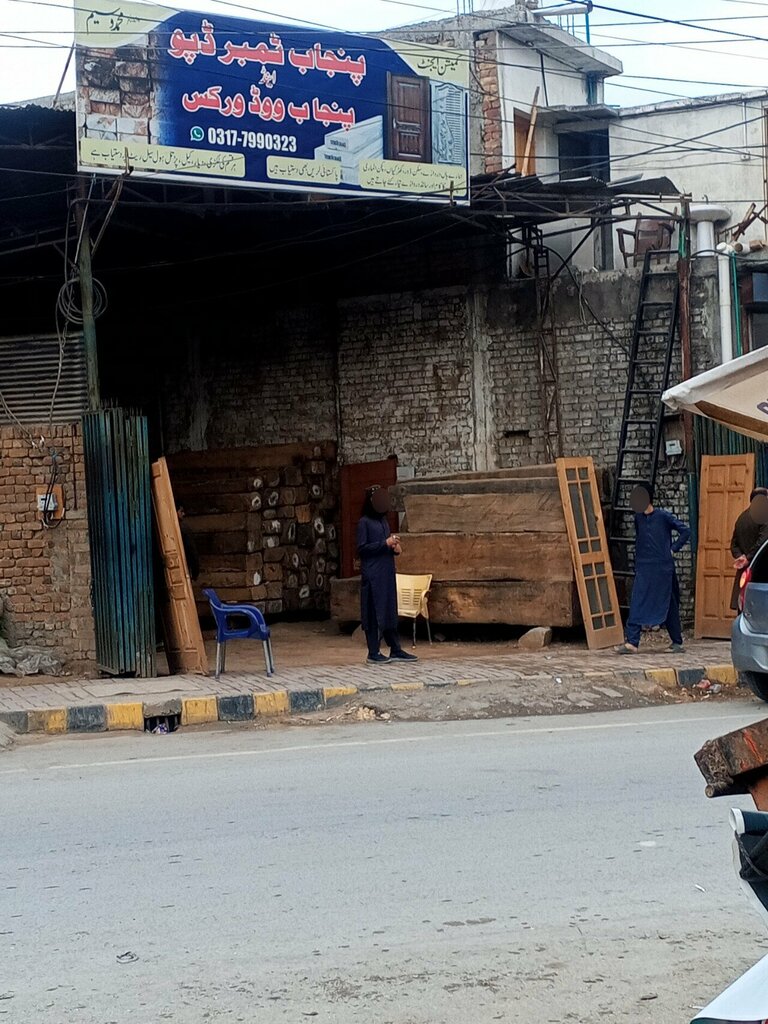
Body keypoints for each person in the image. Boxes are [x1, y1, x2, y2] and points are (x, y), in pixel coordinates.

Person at [617, 482, 690, 655]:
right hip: (644, 566)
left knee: (668, 602)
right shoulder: (638, 518)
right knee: (637, 600)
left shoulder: (663, 516)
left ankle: (677, 641)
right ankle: (632, 641)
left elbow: (685, 531)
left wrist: (672, 550)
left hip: (663, 567)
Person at [357, 485, 417, 665]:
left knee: (389, 611)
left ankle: (395, 648)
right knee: (373, 612)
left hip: (387, 574)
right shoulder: (364, 522)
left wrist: (394, 548)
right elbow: (362, 549)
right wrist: (384, 543)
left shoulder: (383, 521)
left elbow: (386, 545)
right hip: (373, 575)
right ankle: (373, 652)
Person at [730, 487, 768, 610]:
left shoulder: (742, 517)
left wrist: (740, 556)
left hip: (744, 571)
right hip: (760, 571)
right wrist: (748, 558)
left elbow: (734, 544)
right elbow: (762, 542)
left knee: (745, 607)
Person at [176, 504, 200, 582]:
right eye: (181, 511)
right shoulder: (183, 529)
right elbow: (192, 550)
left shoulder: (181, 528)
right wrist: (195, 571)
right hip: (183, 567)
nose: (183, 514)